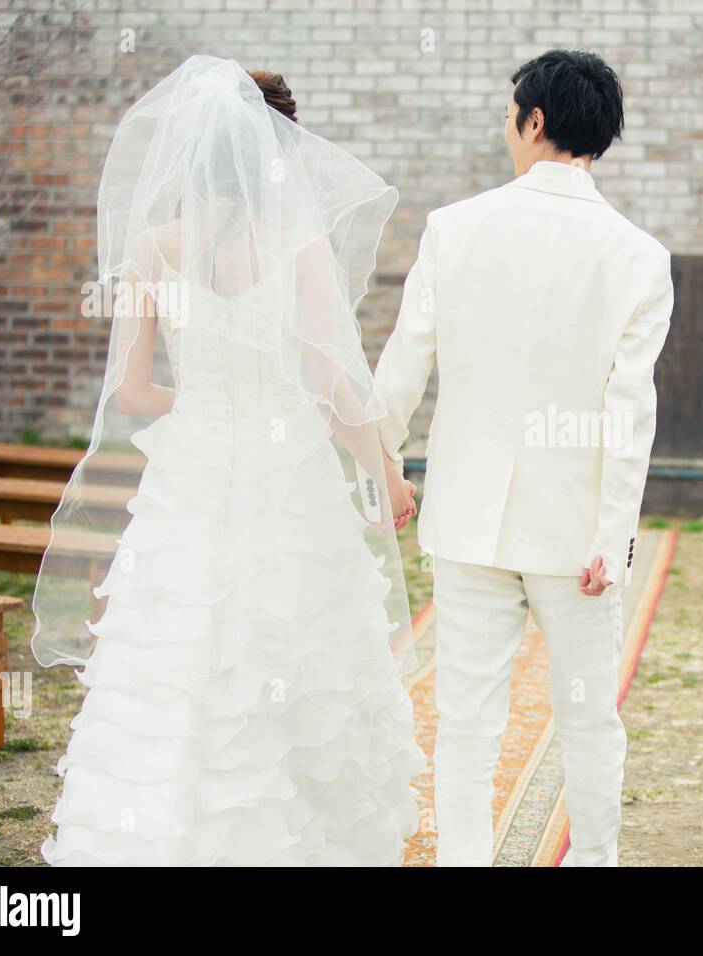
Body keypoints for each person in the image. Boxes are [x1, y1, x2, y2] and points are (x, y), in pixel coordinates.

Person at [32, 56, 424, 866]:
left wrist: (212, 408)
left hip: (192, 474)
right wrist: (384, 470)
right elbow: (331, 390)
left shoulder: (151, 249)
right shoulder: (302, 247)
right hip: (291, 478)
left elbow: (133, 391)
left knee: (179, 647)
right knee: (292, 642)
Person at [374, 49, 673, 867]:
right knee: (587, 715)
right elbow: (630, 413)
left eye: (511, 116)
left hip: (467, 518)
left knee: (468, 717)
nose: (507, 129)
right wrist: (612, 538)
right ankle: (595, 861)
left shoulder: (454, 228)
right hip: (576, 533)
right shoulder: (640, 257)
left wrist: (384, 468)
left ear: (534, 121)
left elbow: (404, 365)